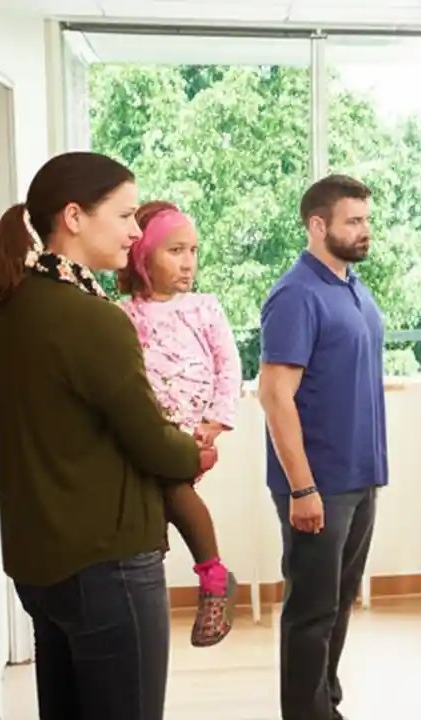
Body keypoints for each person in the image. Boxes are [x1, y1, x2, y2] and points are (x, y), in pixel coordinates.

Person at [0, 151, 217, 720]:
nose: (135, 232)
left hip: (42, 565)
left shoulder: (15, 309)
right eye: (125, 216)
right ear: (73, 217)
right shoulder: (93, 318)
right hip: (106, 564)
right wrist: (195, 450)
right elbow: (151, 442)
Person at [258, 174, 387, 720]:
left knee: (337, 605)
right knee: (311, 611)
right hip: (319, 485)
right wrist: (302, 487)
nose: (365, 231)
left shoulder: (353, 287)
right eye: (352, 221)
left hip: (360, 478)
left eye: (366, 219)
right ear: (317, 226)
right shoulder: (296, 295)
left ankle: (324, 704)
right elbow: (274, 394)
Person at [116, 200, 241, 647]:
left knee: (170, 489)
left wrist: (215, 422)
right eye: (175, 251)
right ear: (142, 256)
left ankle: (213, 577)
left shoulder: (203, 309)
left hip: (191, 434)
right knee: (159, 496)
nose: (188, 262)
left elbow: (229, 366)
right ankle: (176, 576)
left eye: (193, 251)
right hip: (147, 433)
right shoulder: (123, 315)